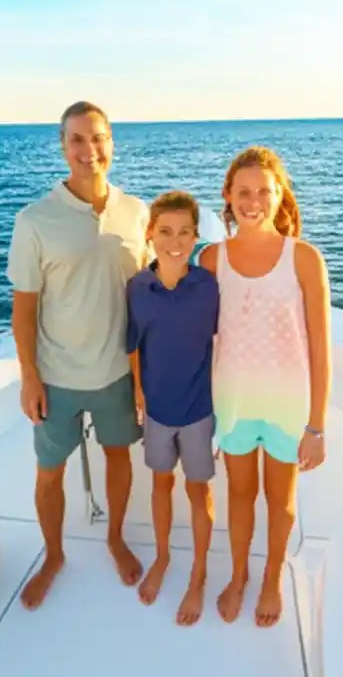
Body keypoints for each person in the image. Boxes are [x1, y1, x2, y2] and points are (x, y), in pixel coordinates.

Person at [6, 101, 149, 609]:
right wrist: (29, 376)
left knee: (118, 457)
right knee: (50, 472)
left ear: (112, 142)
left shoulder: (137, 213)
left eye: (98, 138)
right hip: (56, 376)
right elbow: (23, 311)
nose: (90, 151)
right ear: (63, 147)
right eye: (77, 140)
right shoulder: (35, 220)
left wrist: (143, 377)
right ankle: (53, 554)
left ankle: (114, 537)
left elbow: (149, 298)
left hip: (115, 372)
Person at [197, 145, 331, 628]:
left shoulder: (305, 258)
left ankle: (272, 576)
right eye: (243, 192)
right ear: (228, 198)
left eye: (264, 192)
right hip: (232, 402)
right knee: (239, 495)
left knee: (282, 501)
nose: (253, 201)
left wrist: (316, 425)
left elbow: (320, 347)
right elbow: (196, 336)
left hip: (287, 405)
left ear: (280, 197)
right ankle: (238, 575)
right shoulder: (212, 259)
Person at [126, 191, 219, 626]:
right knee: (160, 485)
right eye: (165, 231)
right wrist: (139, 391)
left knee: (198, 491)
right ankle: (163, 557)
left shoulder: (209, 285)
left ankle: (198, 574)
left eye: (184, 232)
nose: (174, 240)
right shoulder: (137, 288)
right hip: (158, 412)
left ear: (197, 237)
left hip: (199, 410)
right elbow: (134, 346)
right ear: (150, 235)